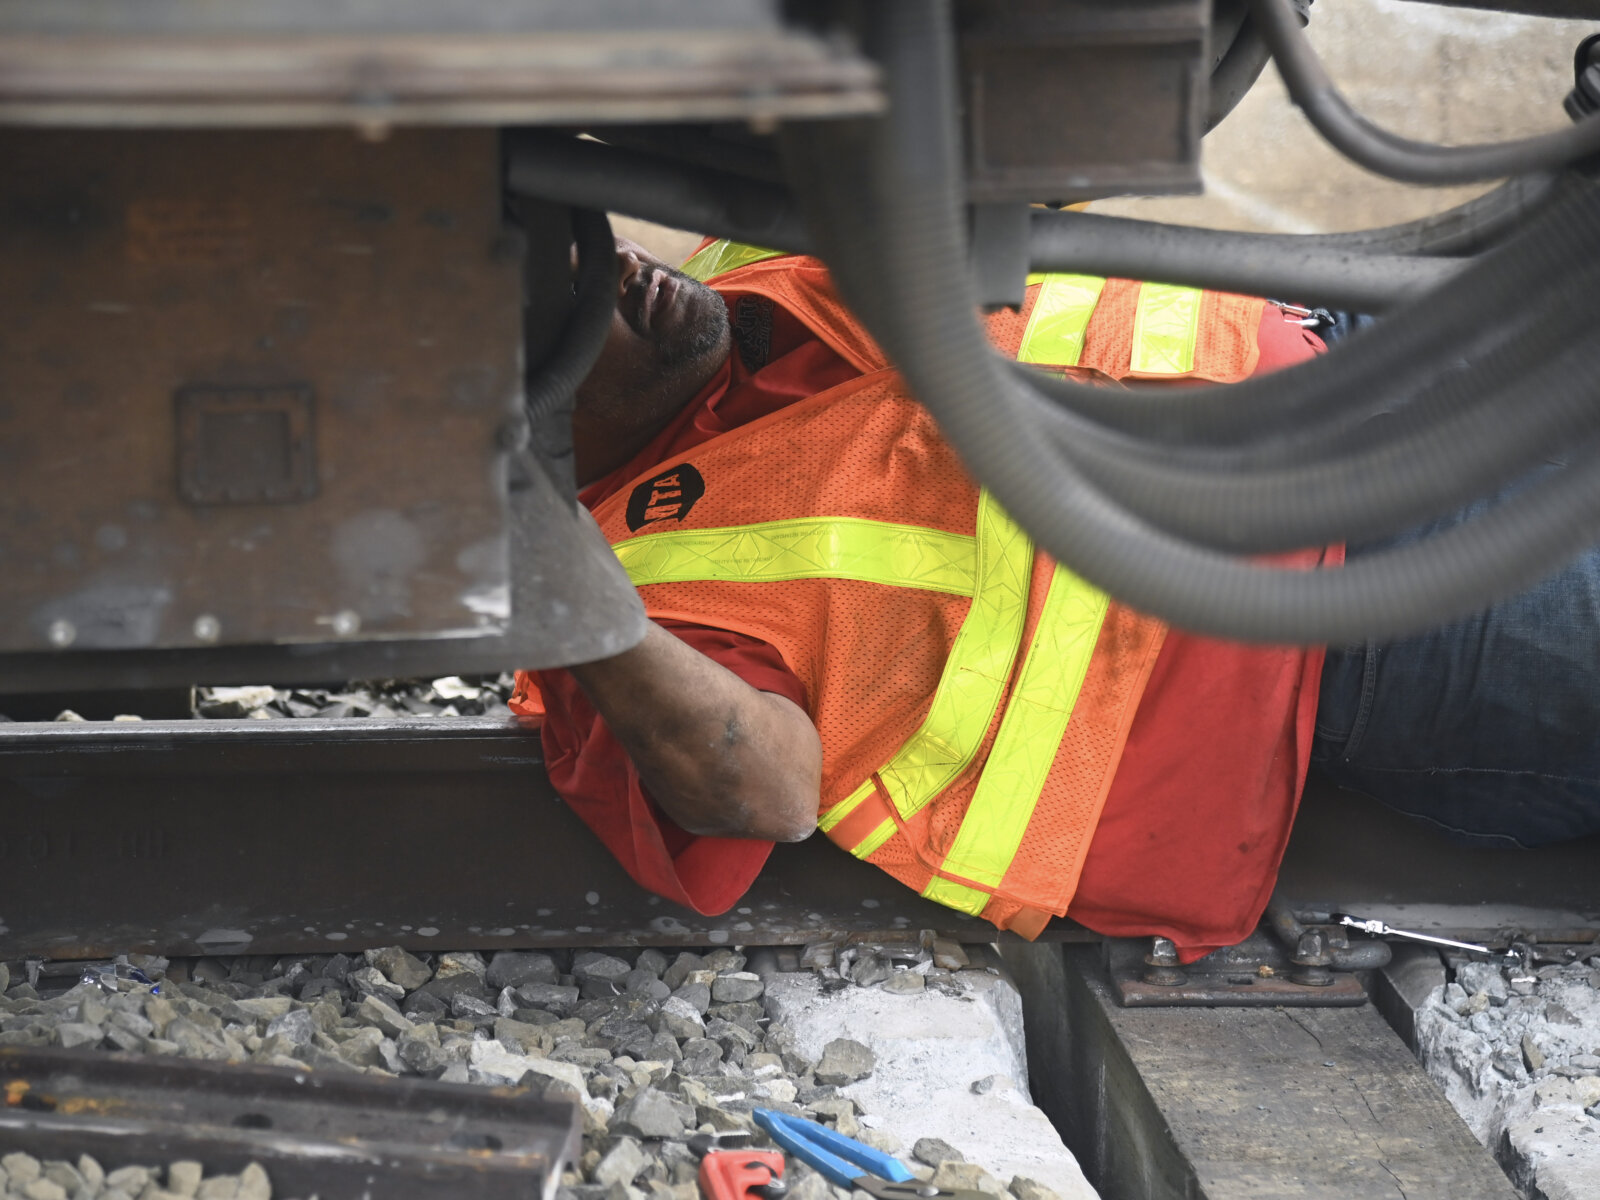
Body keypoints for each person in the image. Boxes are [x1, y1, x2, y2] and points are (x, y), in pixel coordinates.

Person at [511, 236, 1600, 961]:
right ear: (510, 413)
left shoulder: (731, 257)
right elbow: (763, 793)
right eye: (568, 302)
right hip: (1328, 607)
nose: (620, 267)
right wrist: (542, 546)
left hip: (1350, 364)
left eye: (588, 240)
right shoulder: (625, 586)